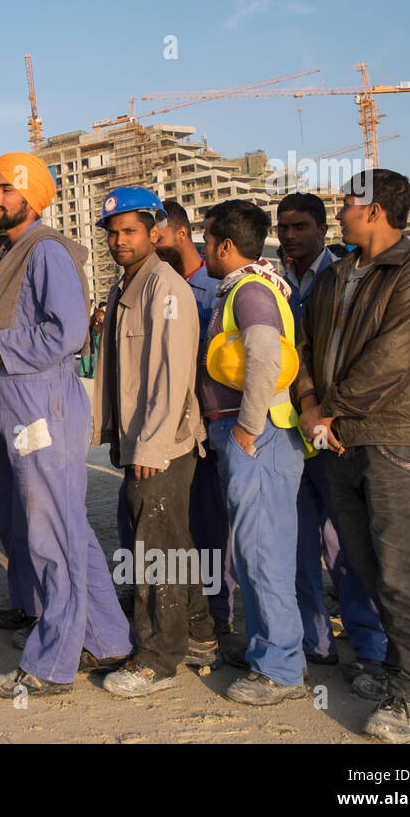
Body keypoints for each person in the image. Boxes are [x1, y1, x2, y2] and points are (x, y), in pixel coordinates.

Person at [0, 154, 132, 700]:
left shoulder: (46, 252)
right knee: (68, 531)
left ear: (34, 197)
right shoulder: (16, 252)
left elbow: (67, 335)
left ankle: (53, 663)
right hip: (22, 402)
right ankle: (108, 640)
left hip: (43, 404)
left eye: (5, 189)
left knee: (50, 535)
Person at [294, 169, 410, 742]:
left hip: (391, 439)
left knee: (400, 567)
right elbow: (305, 344)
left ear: (376, 210)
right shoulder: (336, 275)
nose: (340, 209)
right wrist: (309, 401)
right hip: (337, 439)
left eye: (348, 201)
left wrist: (328, 410)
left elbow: (392, 360)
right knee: (365, 564)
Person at [93, 187, 210, 698]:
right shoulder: (127, 287)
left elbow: (172, 376)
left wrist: (150, 446)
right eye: (113, 233)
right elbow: (119, 374)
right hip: (138, 439)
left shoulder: (165, 288)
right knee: (173, 542)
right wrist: (117, 436)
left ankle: (157, 658)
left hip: (162, 445)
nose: (120, 241)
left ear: (155, 231)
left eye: (130, 231)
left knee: (151, 551)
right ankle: (201, 634)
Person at [199, 200, 307, 705]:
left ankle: (281, 668)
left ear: (224, 245)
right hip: (255, 437)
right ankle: (269, 648)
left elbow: (263, 352)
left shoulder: (250, 289)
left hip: (258, 437)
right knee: (254, 550)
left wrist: (247, 424)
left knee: (263, 554)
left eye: (206, 240)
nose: (203, 250)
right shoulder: (251, 286)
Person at [277, 193, 386, 674]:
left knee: (346, 543)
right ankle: (315, 641)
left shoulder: (344, 276)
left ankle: (369, 644)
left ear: (323, 230)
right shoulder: (272, 279)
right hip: (289, 427)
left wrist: (330, 411)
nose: (290, 235)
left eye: (300, 226)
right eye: (283, 227)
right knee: (298, 544)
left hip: (336, 426)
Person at [153, 200, 235, 657]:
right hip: (165, 430)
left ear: (180, 234)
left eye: (157, 234)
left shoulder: (216, 289)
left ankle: (216, 611)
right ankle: (176, 607)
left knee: (207, 524)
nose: (151, 242)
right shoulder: (152, 286)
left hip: (206, 428)